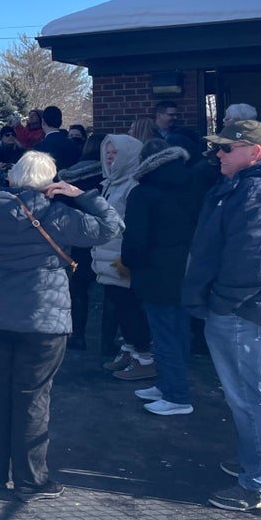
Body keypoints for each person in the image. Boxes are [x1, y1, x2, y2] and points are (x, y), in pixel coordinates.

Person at [0, 151, 123, 500]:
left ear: (14, 177)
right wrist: (81, 195)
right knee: (32, 396)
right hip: (42, 318)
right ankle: (30, 478)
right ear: (50, 182)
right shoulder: (57, 212)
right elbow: (112, 227)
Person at [182, 120, 261, 512]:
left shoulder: (259, 191)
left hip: (242, 309)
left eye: (227, 148)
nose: (218, 154)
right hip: (238, 305)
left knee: (247, 395)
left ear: (254, 152)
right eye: (218, 148)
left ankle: (258, 482)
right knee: (243, 393)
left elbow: (252, 257)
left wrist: (222, 301)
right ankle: (254, 462)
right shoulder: (245, 186)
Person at [120, 139, 199, 415]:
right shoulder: (193, 185)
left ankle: (177, 395)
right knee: (178, 332)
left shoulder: (143, 192)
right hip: (186, 268)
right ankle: (168, 384)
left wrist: (130, 262)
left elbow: (135, 237)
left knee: (164, 334)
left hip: (155, 271)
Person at [91, 135, 154, 380]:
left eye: (115, 153)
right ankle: (129, 350)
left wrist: (126, 258)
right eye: (107, 152)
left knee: (130, 310)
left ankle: (144, 357)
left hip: (121, 260)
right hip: (107, 257)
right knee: (118, 308)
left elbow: (129, 225)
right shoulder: (111, 182)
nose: (109, 157)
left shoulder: (132, 185)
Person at [57, 132, 108, 351]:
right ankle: (108, 340)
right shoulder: (110, 176)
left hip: (78, 236)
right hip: (107, 236)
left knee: (78, 288)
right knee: (112, 291)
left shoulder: (68, 177)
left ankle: (78, 334)